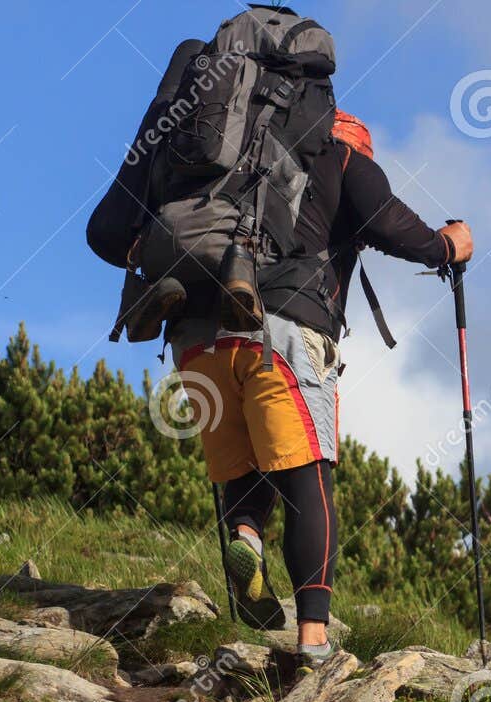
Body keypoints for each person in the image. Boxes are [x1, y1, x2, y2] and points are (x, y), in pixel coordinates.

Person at [168, 112, 472, 668]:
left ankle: (248, 537)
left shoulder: (234, 160)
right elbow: (384, 219)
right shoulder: (342, 156)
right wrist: (446, 246)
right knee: (309, 475)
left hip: (197, 341)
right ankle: (313, 641)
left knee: (254, 462)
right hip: (282, 332)